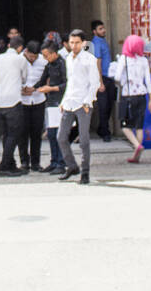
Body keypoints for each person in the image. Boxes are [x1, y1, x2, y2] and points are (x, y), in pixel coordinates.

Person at [57, 30, 101, 184]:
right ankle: (71, 166)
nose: (74, 45)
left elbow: (94, 83)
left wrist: (88, 102)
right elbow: (70, 82)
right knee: (61, 137)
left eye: (77, 43)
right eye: (71, 42)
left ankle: (85, 172)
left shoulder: (89, 59)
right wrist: (63, 101)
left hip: (83, 104)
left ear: (83, 43)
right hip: (69, 102)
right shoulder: (68, 58)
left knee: (83, 140)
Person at [114, 34, 151, 163]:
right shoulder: (144, 60)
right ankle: (136, 157)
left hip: (128, 96)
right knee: (139, 126)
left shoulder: (124, 59)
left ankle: (137, 146)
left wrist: (123, 82)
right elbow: (148, 80)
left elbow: (117, 77)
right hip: (142, 96)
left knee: (124, 125)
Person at [0, 34, 28, 178]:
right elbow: (24, 77)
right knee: (14, 134)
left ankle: (11, 164)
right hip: (13, 101)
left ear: (8, 45)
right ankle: (4, 166)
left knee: (6, 135)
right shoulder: (20, 59)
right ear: (20, 48)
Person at [33, 40, 67, 171]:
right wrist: (31, 88)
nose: (45, 58)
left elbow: (66, 84)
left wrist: (51, 89)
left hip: (60, 101)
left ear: (54, 53)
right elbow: (41, 81)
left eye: (47, 55)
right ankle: (54, 161)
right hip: (50, 102)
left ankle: (61, 162)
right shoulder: (49, 65)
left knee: (59, 133)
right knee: (51, 133)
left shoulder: (62, 64)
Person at [20, 41, 47, 171]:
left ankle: (36, 162)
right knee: (23, 132)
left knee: (36, 133)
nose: (33, 59)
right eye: (31, 56)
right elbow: (13, 77)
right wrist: (21, 89)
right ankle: (24, 161)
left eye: (35, 57)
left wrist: (36, 89)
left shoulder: (43, 61)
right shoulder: (19, 60)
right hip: (22, 101)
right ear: (26, 51)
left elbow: (47, 78)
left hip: (38, 100)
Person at [90, 20, 115, 141]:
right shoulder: (95, 43)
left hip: (109, 77)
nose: (103, 30)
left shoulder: (103, 41)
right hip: (102, 78)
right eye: (100, 29)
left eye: (103, 28)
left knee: (109, 104)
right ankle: (105, 132)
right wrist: (100, 82)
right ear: (94, 31)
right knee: (103, 106)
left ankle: (101, 128)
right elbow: (97, 62)